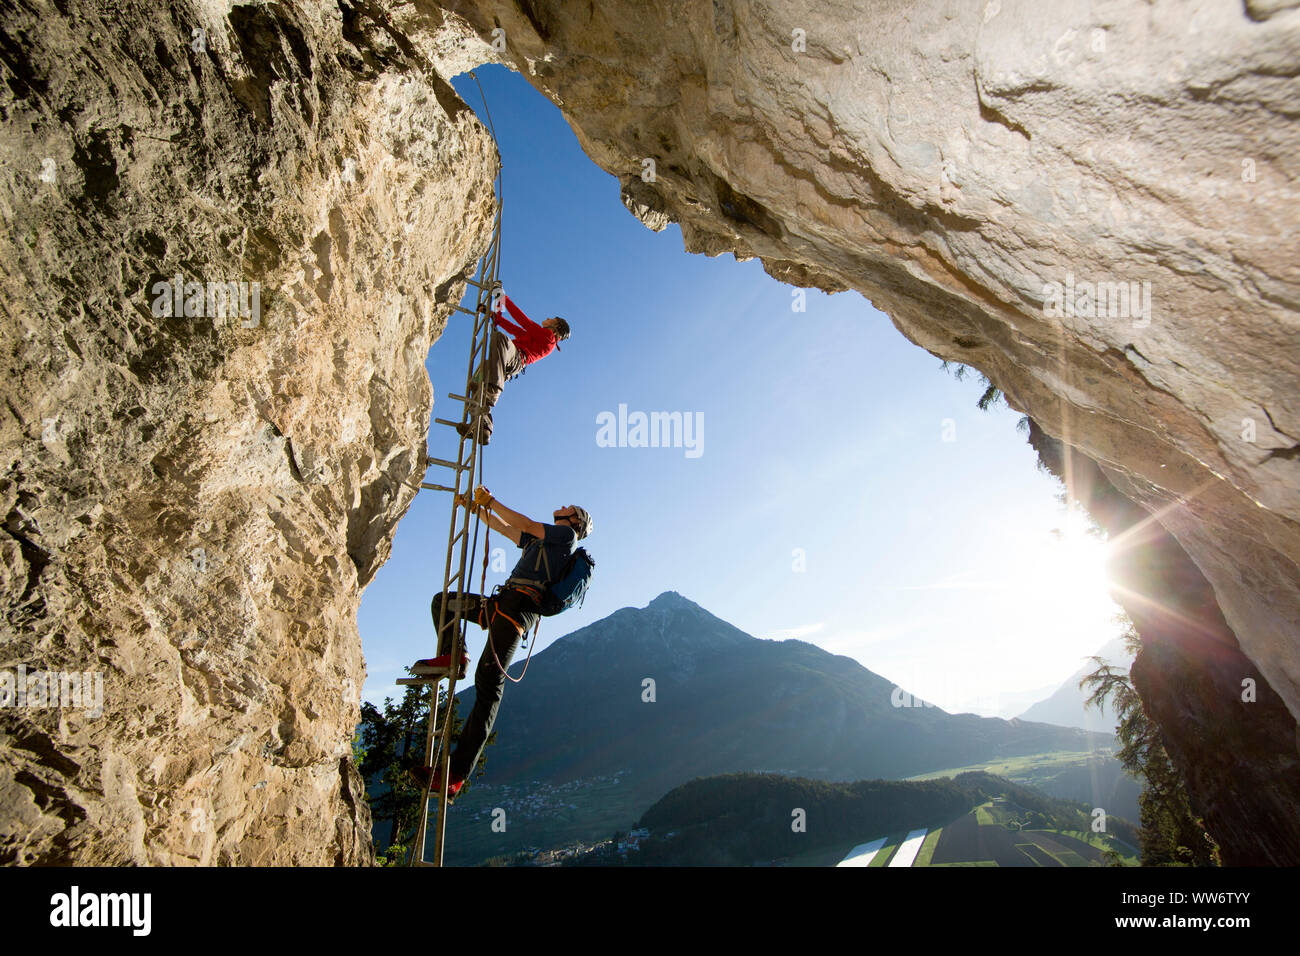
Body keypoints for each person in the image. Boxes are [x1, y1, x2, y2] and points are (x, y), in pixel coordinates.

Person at [410, 485, 593, 799]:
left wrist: (491, 501)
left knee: (489, 683)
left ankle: (454, 776)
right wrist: (474, 507)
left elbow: (522, 523)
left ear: (575, 520)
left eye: (569, 506)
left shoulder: (566, 538)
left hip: (518, 611)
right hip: (503, 603)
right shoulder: (543, 541)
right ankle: (453, 657)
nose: (562, 504)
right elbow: (504, 527)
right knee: (444, 603)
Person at [460, 289, 570, 445]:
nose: (547, 318)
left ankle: (492, 393)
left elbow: (523, 320)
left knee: (500, 339)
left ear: (556, 326)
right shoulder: (537, 336)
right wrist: (492, 314)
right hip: (509, 362)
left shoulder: (548, 337)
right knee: (478, 380)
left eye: (551, 318)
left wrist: (503, 298)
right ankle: (481, 427)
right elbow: (515, 329)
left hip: (516, 358)